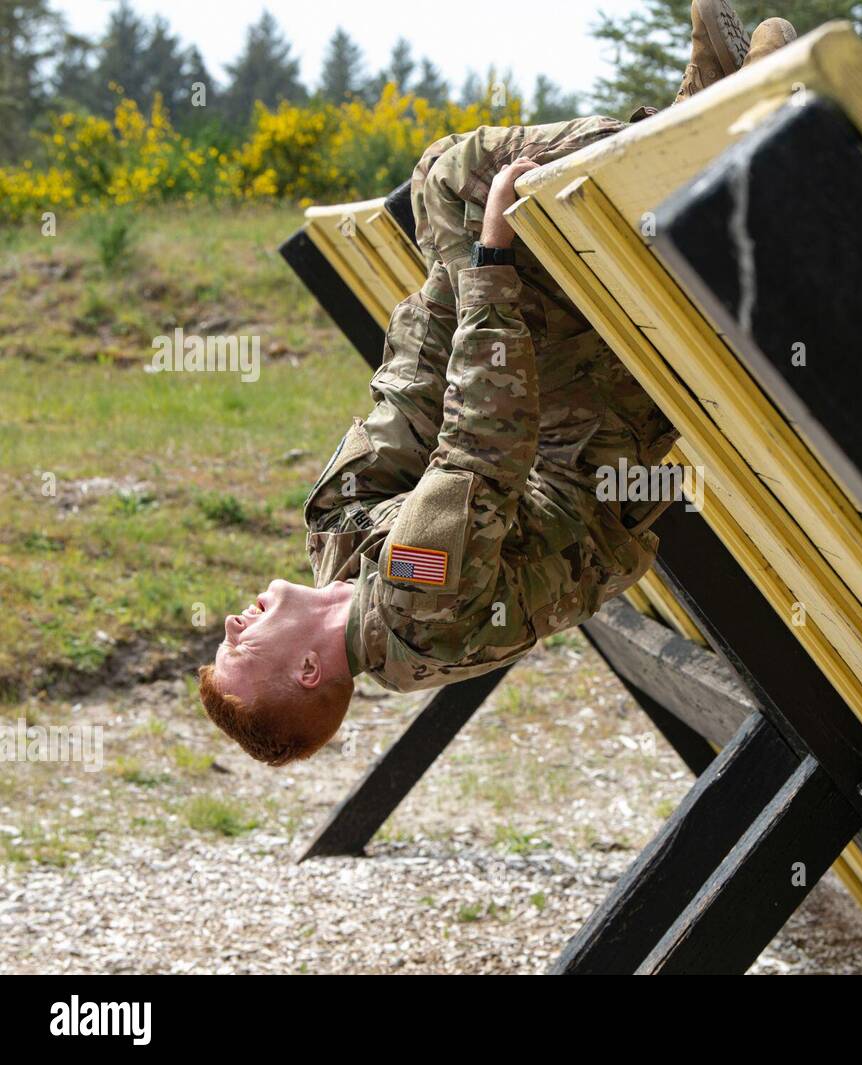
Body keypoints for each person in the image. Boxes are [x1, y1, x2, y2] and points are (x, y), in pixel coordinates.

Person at [198, 4, 798, 766]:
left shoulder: (338, 546)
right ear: (308, 669)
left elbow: (410, 398)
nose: (230, 624)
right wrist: (486, 265)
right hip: (592, 433)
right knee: (455, 179)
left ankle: (702, 116)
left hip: (549, 408)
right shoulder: (419, 606)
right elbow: (483, 449)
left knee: (441, 189)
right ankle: (718, 121)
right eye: (241, 653)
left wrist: (453, 274)